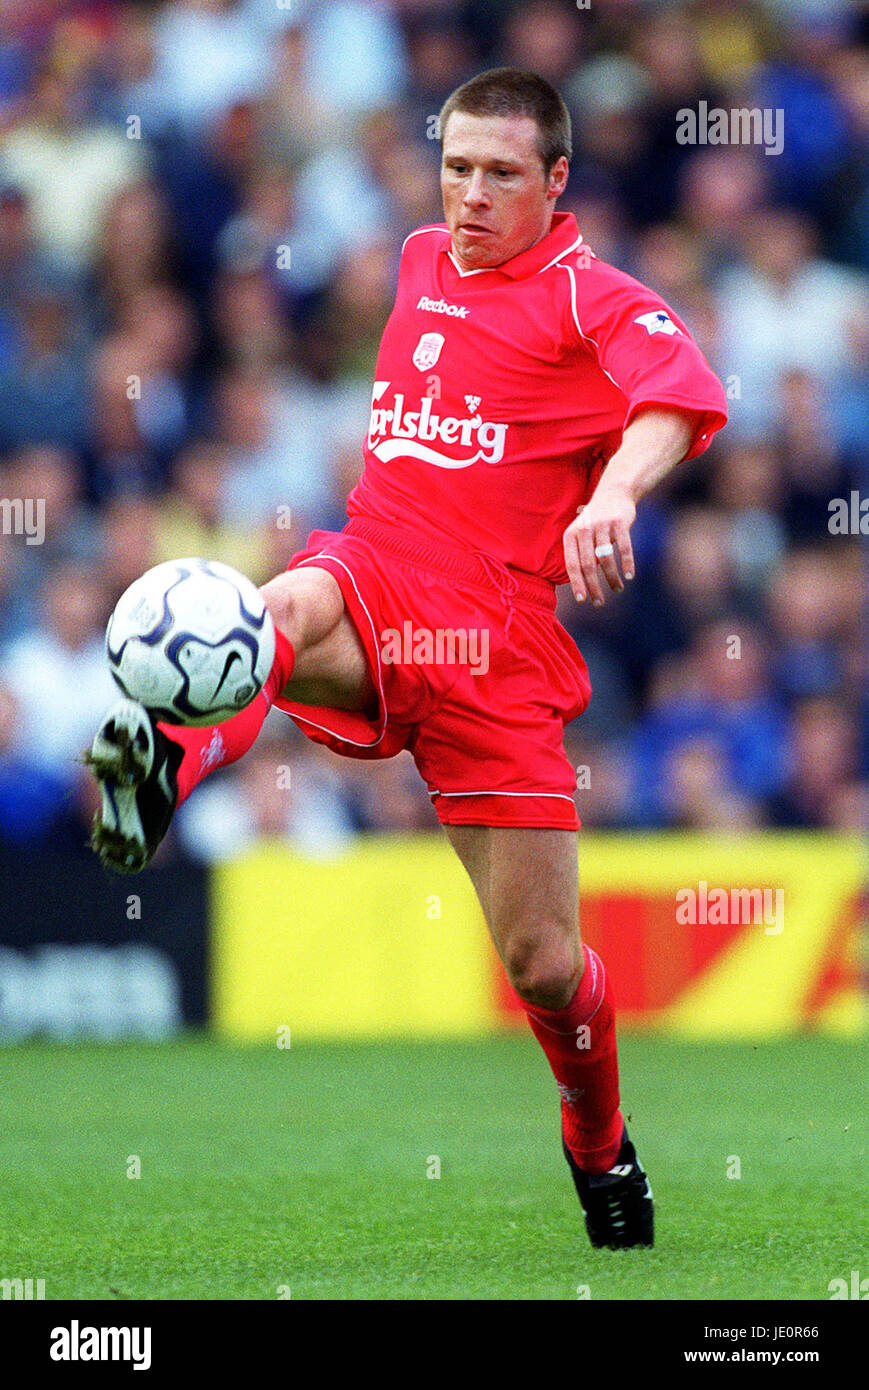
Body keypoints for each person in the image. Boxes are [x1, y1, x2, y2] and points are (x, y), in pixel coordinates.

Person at [87, 68, 727, 1251]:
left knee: (542, 967)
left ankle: (599, 1146)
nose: (470, 195)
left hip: (499, 644)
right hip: (378, 567)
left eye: (498, 173)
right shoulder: (421, 257)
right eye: (455, 168)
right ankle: (165, 758)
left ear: (556, 182)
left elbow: (677, 401)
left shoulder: (593, 296)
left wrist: (613, 500)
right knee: (279, 610)